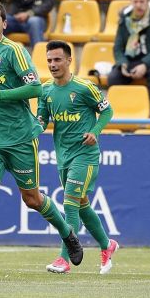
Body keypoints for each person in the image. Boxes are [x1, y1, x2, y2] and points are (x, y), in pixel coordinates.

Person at [0, 1, 83, 282]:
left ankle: (67, 233)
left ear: (4, 24)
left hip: (20, 138)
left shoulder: (14, 51)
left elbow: (35, 87)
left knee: (32, 198)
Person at [38, 40, 119, 275]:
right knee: (81, 203)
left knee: (70, 201)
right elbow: (42, 120)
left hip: (85, 154)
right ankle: (107, 244)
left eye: (57, 60)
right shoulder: (45, 91)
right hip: (63, 156)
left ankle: (64, 258)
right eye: (49, 60)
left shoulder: (84, 88)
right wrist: (30, 130)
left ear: (69, 60)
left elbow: (107, 110)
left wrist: (95, 132)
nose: (53, 65)